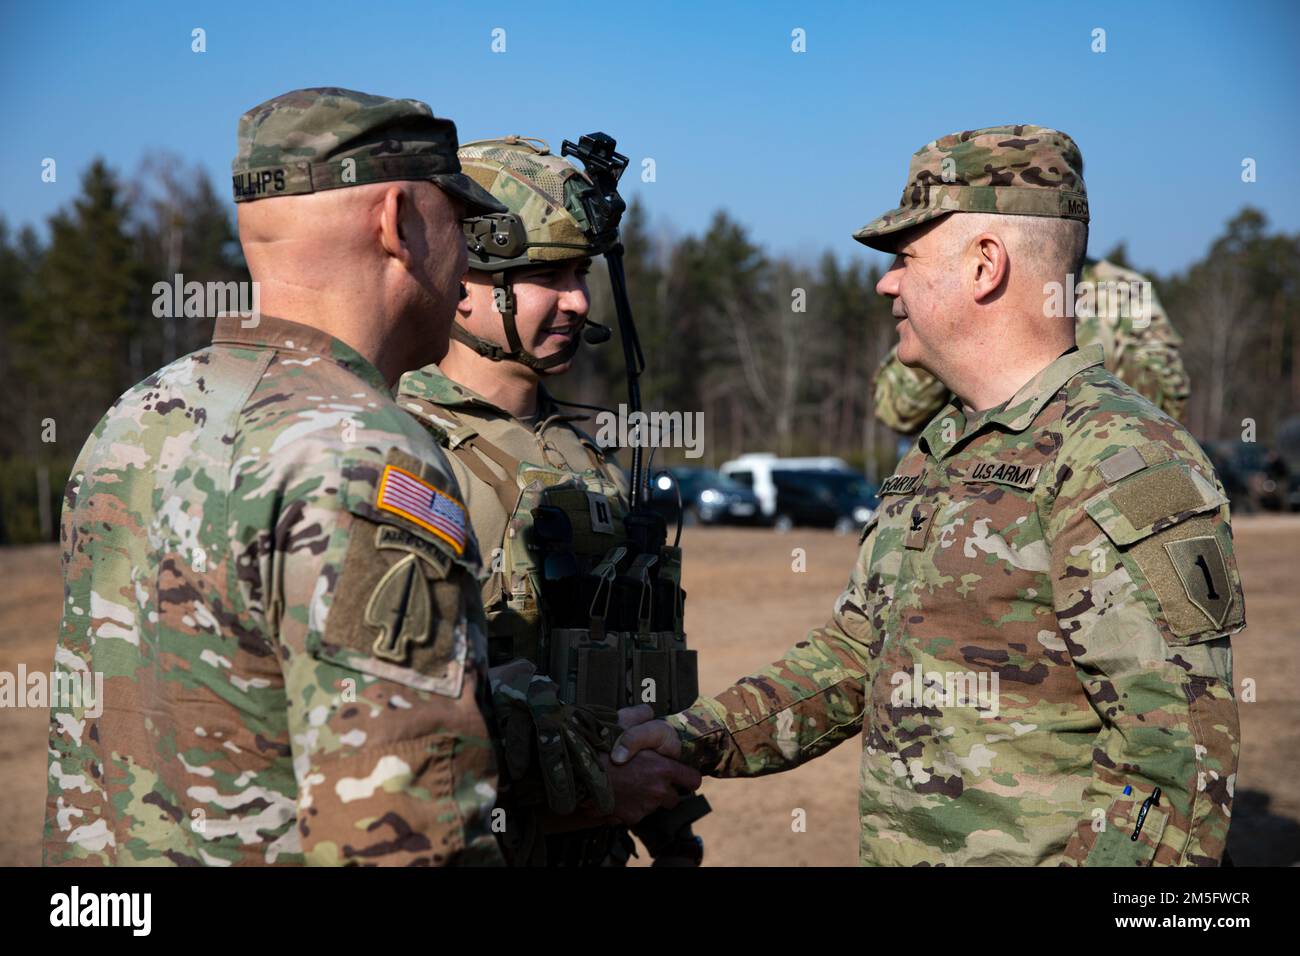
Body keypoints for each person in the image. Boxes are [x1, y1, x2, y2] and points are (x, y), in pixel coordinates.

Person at [613, 125, 1245, 866]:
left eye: (907, 258)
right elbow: (858, 653)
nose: (886, 283)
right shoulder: (939, 449)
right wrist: (698, 735)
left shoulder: (1122, 460)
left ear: (985, 265)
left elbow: (1175, 771)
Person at [44, 87, 511, 865]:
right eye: (459, 225)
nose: (468, 264)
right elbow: (396, 836)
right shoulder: (367, 451)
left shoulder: (137, 417)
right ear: (397, 223)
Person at [395, 136, 707, 866]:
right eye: (546, 275)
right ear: (461, 281)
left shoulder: (585, 453)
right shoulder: (402, 449)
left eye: (581, 272)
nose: (577, 301)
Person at [873, 256, 1190, 434]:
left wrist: (1067, 343)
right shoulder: (955, 289)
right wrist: (948, 328)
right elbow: (897, 409)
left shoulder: (1119, 291)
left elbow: (1166, 407)